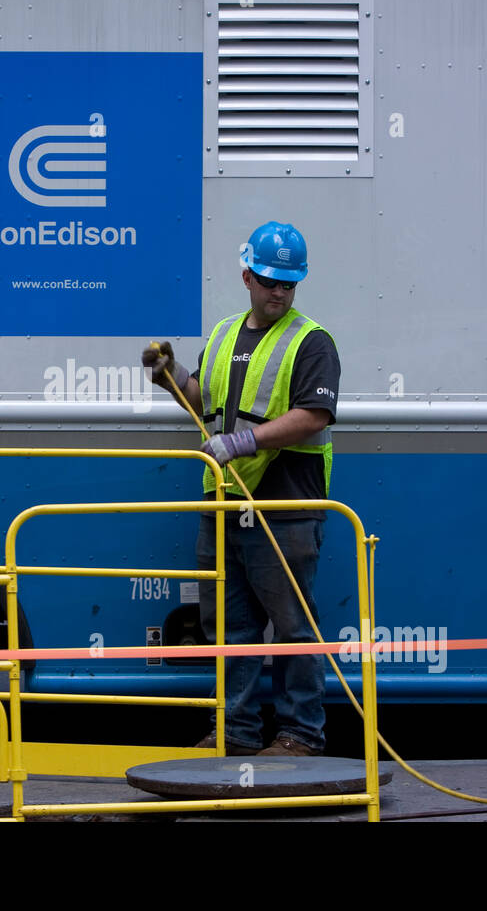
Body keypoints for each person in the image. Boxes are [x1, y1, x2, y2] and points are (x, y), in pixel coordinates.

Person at [142, 221, 340, 756]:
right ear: (246, 276)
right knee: (229, 627)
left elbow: (314, 416)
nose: (280, 292)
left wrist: (243, 443)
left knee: (295, 627)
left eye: (289, 284)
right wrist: (171, 374)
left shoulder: (311, 341)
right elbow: (204, 397)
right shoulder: (226, 333)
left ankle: (301, 735)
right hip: (225, 505)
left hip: (285, 507)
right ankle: (237, 733)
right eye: (271, 281)